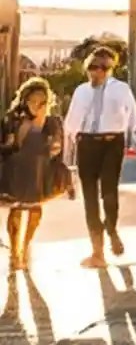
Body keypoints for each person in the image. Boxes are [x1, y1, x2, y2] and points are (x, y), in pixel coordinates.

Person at [63, 46, 136, 268]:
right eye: (93, 67)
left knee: (109, 192)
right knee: (89, 198)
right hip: (87, 143)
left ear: (111, 69)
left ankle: (112, 230)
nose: (98, 72)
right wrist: (68, 155)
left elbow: (134, 118)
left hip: (111, 143)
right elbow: (71, 122)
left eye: (104, 67)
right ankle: (97, 252)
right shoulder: (81, 91)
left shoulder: (121, 89)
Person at [0, 78, 68, 271]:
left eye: (42, 102)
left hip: (40, 170)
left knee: (35, 211)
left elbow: (56, 149)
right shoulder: (13, 119)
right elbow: (10, 146)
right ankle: (14, 252)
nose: (38, 105)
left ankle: (26, 246)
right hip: (17, 169)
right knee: (16, 208)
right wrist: (27, 123)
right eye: (33, 101)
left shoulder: (52, 122)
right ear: (24, 100)